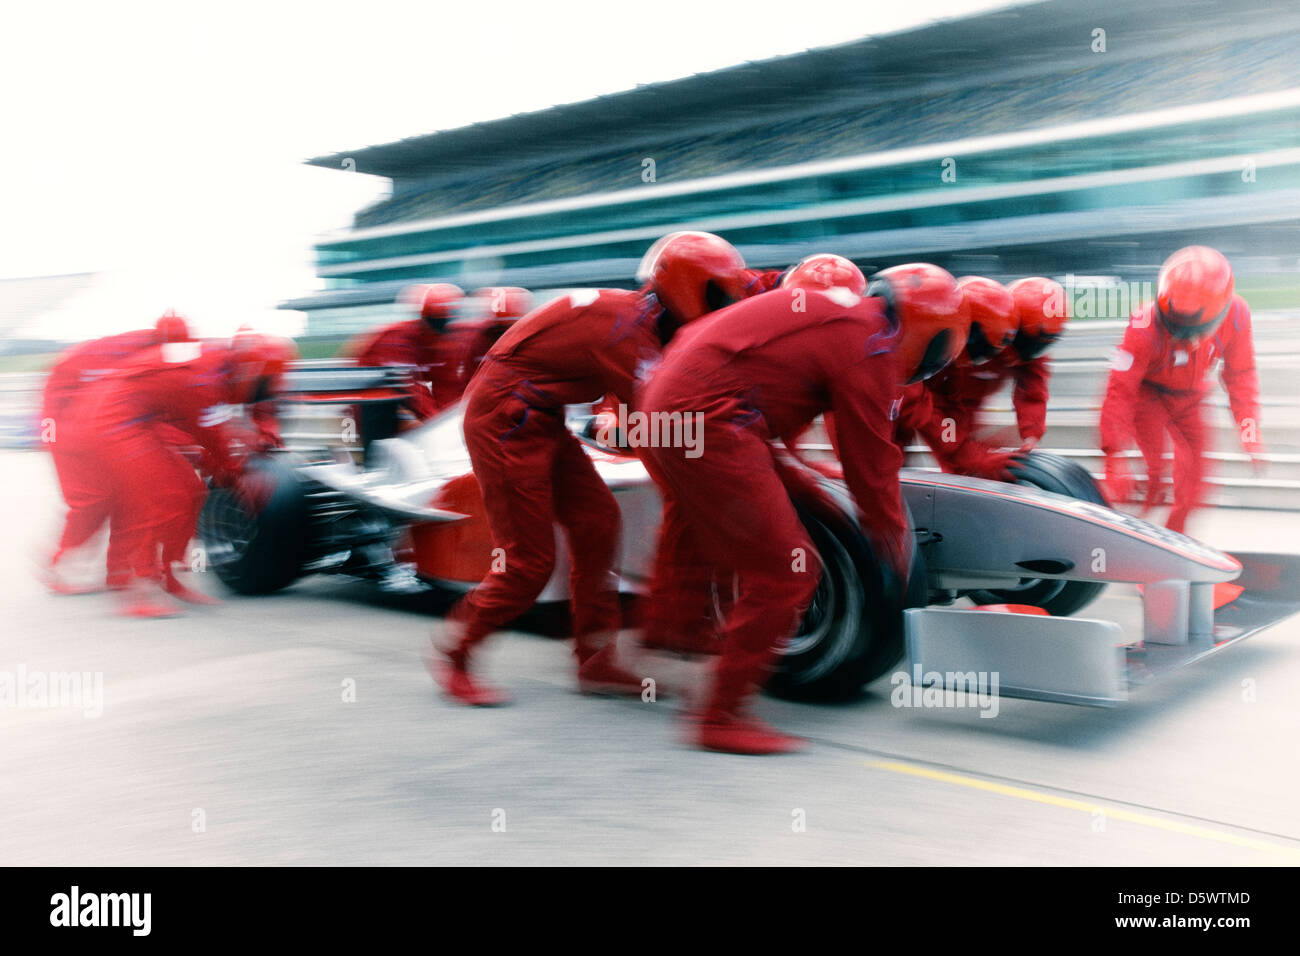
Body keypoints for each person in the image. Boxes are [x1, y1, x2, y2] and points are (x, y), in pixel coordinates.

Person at [638, 261, 970, 754]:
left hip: (674, 410)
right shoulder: (873, 344)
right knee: (787, 571)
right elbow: (870, 462)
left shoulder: (840, 314)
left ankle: (675, 638)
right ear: (930, 332)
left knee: (718, 521)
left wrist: (823, 499)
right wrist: (894, 544)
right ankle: (720, 715)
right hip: (711, 420)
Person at [430, 231, 755, 706]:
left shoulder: (637, 318)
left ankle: (595, 660)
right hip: (505, 419)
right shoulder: (629, 330)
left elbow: (652, 415)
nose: (725, 307)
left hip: (536, 416)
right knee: (528, 561)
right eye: (719, 295)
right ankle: (457, 654)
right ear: (691, 286)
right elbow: (663, 423)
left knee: (597, 521)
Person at [83, 332, 298, 616]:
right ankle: (137, 590)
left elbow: (221, 435)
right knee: (162, 498)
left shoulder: (225, 368)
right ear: (252, 372)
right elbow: (211, 442)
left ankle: (168, 578)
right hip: (119, 420)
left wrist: (243, 462)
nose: (264, 390)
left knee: (190, 492)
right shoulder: (206, 380)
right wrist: (238, 481)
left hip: (147, 417)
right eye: (263, 383)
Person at [1099, 246, 1263, 533]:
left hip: (1192, 395)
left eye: (1194, 330)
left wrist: (1250, 433)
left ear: (1220, 313)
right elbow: (1120, 391)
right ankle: (1132, 529)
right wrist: (1114, 456)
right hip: (1147, 394)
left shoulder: (1237, 317)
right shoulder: (1142, 326)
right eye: (1175, 326)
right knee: (1155, 473)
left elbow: (1242, 377)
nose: (1185, 339)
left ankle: (1176, 535)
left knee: (1199, 477)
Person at [41, 311, 193, 592]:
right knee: (93, 501)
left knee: (127, 497)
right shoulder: (125, 356)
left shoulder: (153, 354)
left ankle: (117, 572)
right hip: (68, 431)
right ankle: (56, 562)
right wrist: (55, 439)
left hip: (95, 429)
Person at [345, 283, 470, 423]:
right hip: (369, 392)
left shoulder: (443, 342)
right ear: (424, 318)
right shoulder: (395, 340)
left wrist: (454, 420)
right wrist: (436, 421)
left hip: (396, 389)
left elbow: (447, 386)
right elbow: (412, 389)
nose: (443, 326)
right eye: (437, 321)